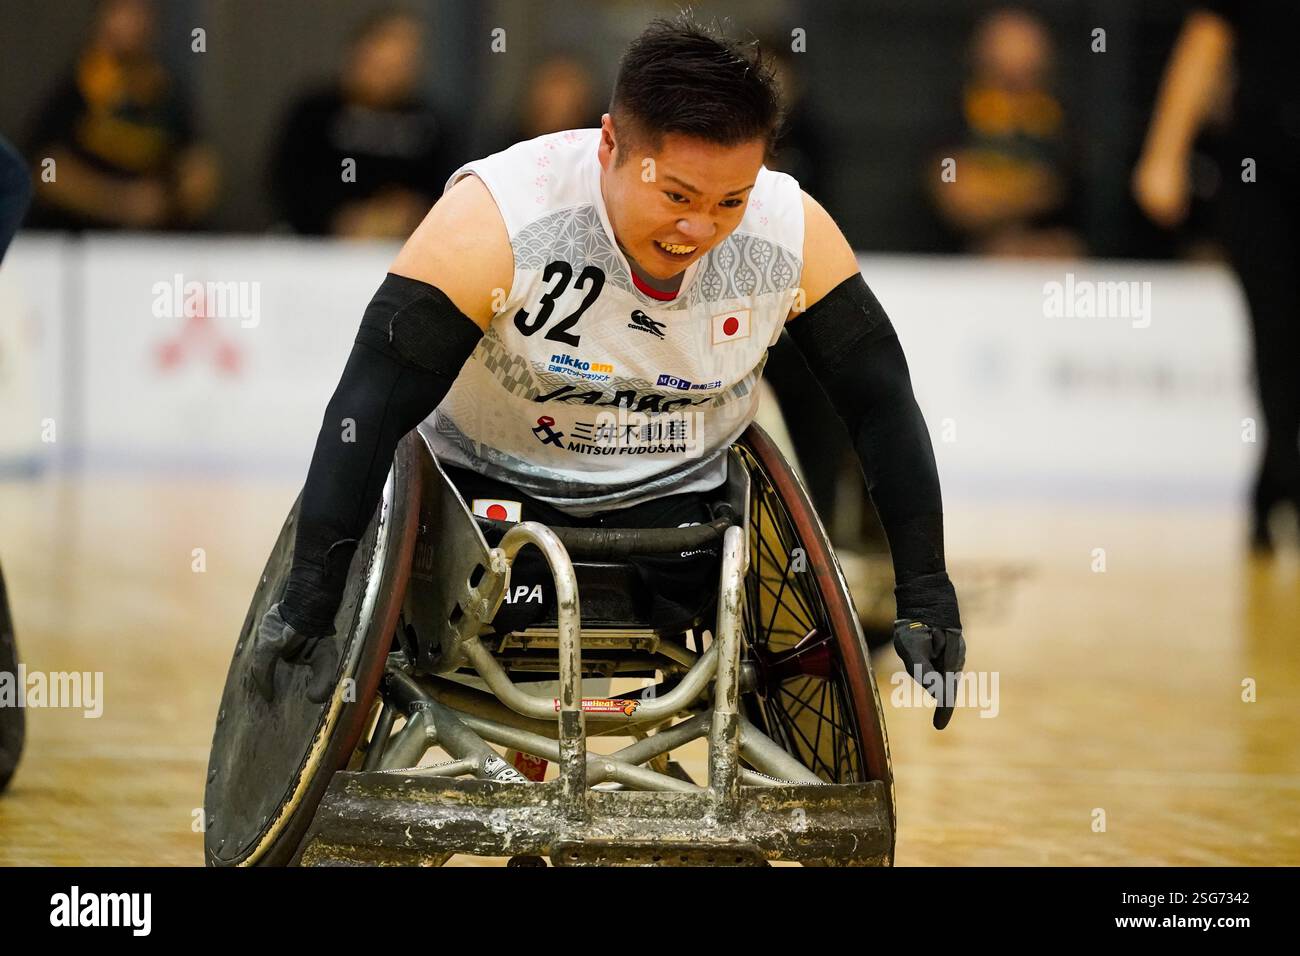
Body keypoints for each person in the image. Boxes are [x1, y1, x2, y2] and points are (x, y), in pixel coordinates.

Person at [252, 15, 966, 730]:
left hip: (681, 528)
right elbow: (368, 404)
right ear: (610, 146)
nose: (700, 230)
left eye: (730, 202)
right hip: (484, 507)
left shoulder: (789, 230)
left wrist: (927, 593)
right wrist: (311, 590)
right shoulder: (501, 216)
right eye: (678, 196)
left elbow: (879, 403)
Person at [1133, 0, 1300, 553]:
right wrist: (1165, 152)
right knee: (1275, 334)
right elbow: (1208, 35)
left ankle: (1274, 483)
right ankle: (1282, 480)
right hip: (1266, 175)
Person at [25, 0, 217, 231]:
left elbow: (198, 170)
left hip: (151, 242)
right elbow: (45, 172)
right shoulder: (78, 88)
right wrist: (120, 202)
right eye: (121, 13)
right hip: (77, 237)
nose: (131, 25)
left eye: (139, 15)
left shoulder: (165, 93)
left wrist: (170, 200)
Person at [270, 9, 457, 238]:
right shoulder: (315, 113)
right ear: (357, 55)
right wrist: (340, 218)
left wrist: (409, 213)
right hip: (315, 246)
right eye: (380, 65)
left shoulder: (428, 123)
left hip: (401, 249)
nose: (388, 76)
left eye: (401, 65)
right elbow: (287, 180)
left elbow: (446, 191)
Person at [928, 8, 1082, 257]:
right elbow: (958, 199)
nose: (1014, 95)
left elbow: (1059, 189)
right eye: (1002, 76)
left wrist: (990, 192)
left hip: (1044, 267)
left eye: (1027, 76)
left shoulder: (1058, 122)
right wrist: (1029, 191)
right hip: (962, 266)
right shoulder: (957, 115)